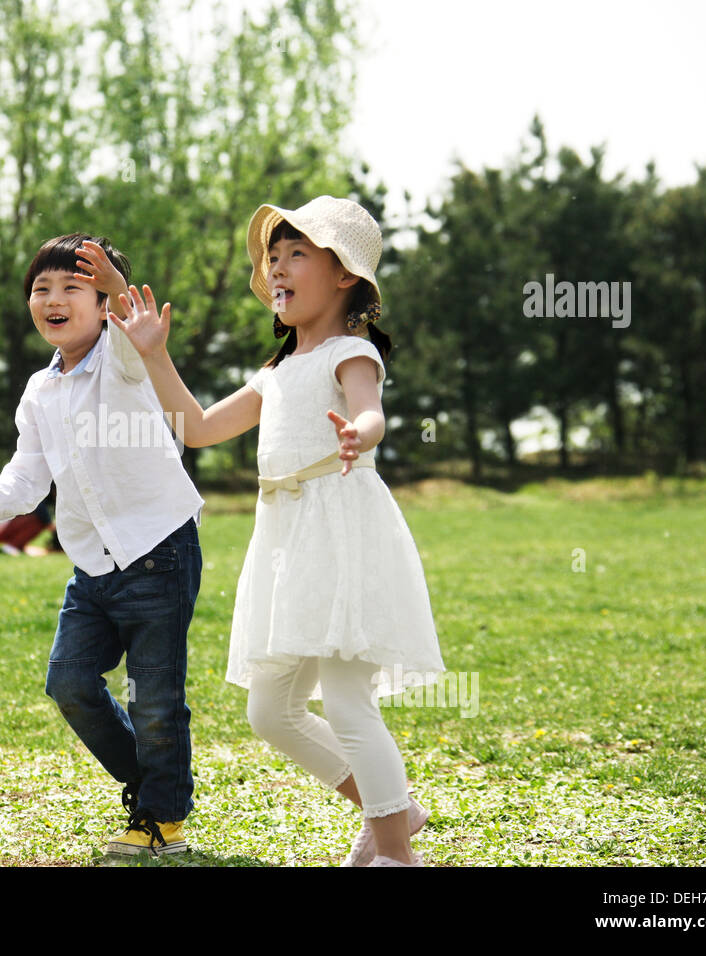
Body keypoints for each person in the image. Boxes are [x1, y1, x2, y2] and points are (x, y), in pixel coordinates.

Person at [108, 196, 445, 867]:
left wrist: (361, 433)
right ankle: (395, 814)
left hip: (345, 533)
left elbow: (373, 414)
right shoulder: (278, 371)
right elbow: (198, 428)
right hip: (288, 544)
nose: (278, 267)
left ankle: (397, 856)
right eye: (274, 255)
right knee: (270, 712)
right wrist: (153, 355)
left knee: (349, 701)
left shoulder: (351, 353)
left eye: (297, 253)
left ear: (345, 275)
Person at [0, 234, 205, 857]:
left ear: (103, 303)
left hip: (159, 551)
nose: (53, 298)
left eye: (73, 286)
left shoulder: (125, 358)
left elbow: (138, 332)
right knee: (69, 681)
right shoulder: (39, 390)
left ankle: (162, 818)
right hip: (92, 566)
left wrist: (118, 287)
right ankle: (158, 787)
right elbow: (27, 477)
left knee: (155, 697)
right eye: (41, 289)